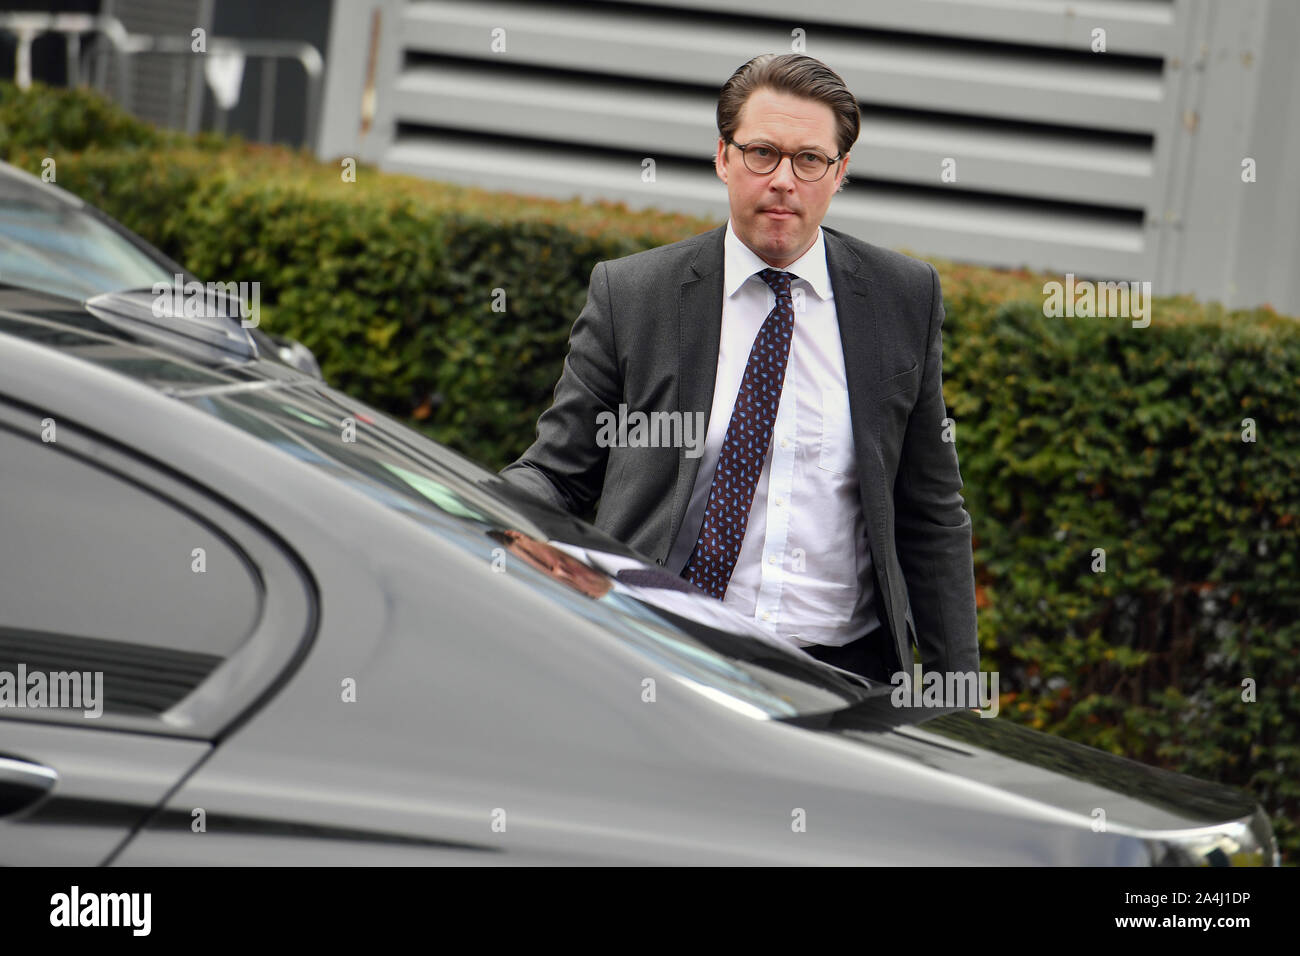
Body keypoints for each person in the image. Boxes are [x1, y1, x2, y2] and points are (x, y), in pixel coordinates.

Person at [500, 53, 978, 684]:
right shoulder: (635, 295)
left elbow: (931, 509)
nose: (784, 179)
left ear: (840, 174)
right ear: (723, 157)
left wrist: (957, 686)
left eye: (809, 159)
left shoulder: (902, 298)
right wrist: (494, 517)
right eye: (762, 153)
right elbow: (557, 474)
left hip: (840, 673)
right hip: (660, 646)